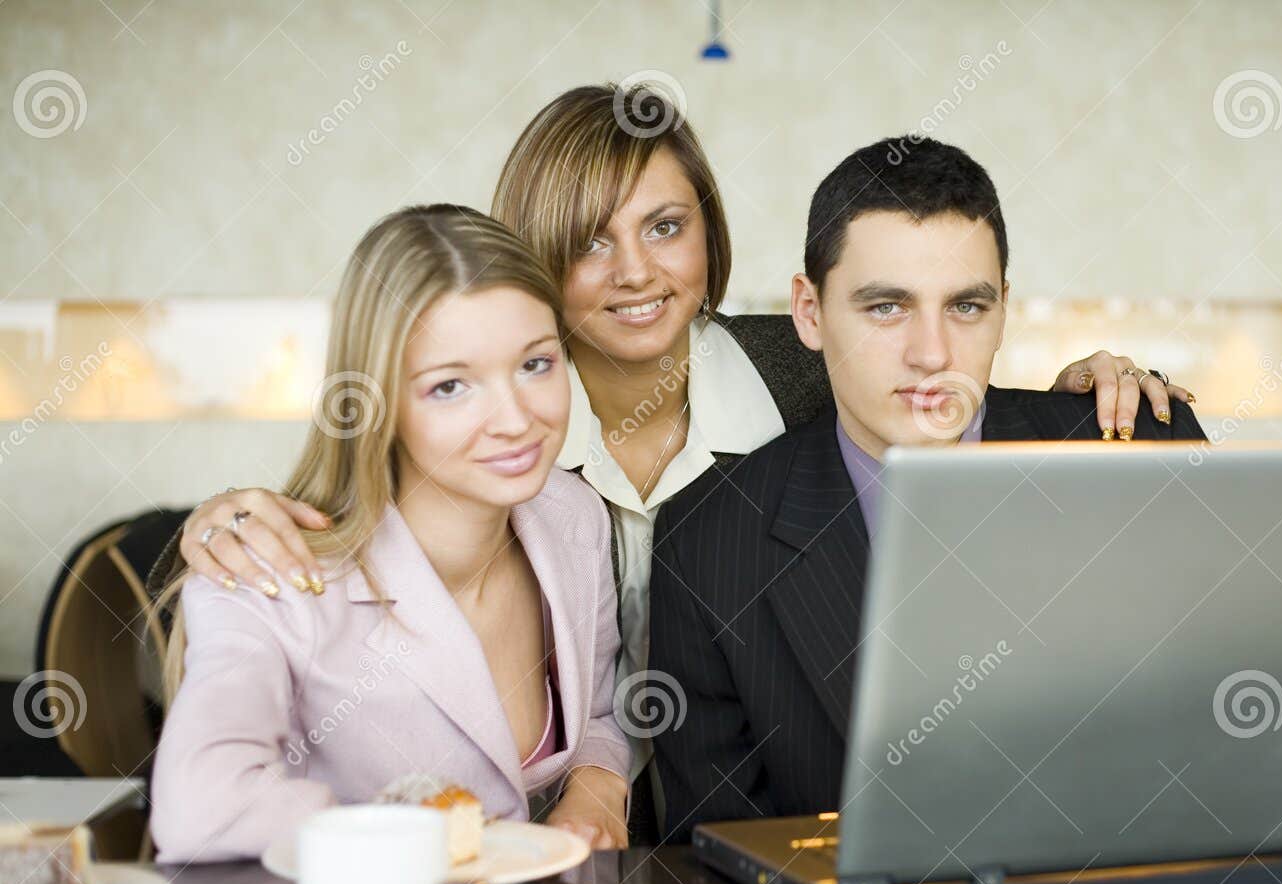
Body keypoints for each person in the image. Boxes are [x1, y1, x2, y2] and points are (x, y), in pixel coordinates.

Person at [153, 84, 1190, 837]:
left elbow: (929, 359)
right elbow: (369, 471)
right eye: (590, 240)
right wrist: (235, 515)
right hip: (652, 846)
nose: (637, 271)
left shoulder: (801, 365)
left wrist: (1089, 393)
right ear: (535, 267)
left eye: (665, 226)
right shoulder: (521, 460)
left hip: (623, 846)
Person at [647, 138, 1206, 840]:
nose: (933, 354)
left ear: (1004, 309)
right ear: (810, 312)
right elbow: (722, 861)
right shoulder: (706, 545)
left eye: (966, 307)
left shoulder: (1142, 458)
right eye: (887, 307)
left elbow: (1251, 748)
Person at [149, 206, 631, 862]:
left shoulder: (573, 516)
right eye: (451, 386)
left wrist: (598, 785)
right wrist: (423, 840)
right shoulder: (270, 577)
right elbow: (197, 812)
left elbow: (598, 713)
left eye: (535, 364)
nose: (516, 419)